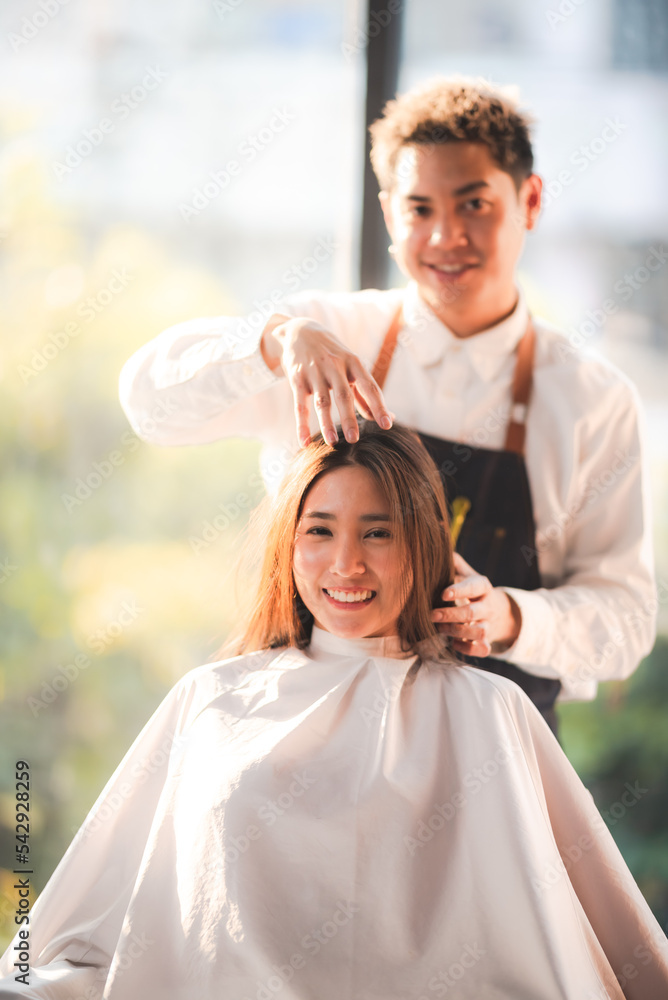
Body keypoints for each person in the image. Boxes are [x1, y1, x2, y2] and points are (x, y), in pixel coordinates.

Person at [1, 422, 667, 999]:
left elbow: (617, 946)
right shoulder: (211, 699)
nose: (346, 563)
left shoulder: (492, 710)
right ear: (288, 545)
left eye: (378, 533)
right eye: (320, 530)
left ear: (422, 545)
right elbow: (79, 928)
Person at [118, 76, 656, 730]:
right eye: (419, 209)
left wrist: (512, 617)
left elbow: (627, 622)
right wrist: (271, 341)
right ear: (387, 212)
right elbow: (147, 403)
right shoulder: (324, 334)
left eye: (474, 204)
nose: (444, 237)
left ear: (531, 200)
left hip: (498, 757)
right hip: (313, 738)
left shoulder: (591, 401)